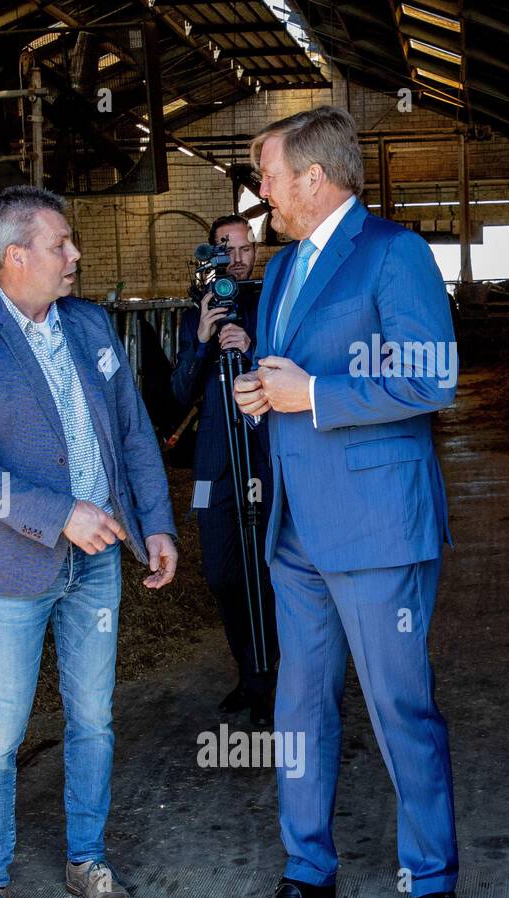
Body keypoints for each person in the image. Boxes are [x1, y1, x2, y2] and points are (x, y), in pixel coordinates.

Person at [233, 106, 461, 898]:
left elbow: (432, 379)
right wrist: (270, 393)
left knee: (400, 709)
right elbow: (288, 375)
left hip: (374, 529)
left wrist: (315, 396)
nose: (263, 191)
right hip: (297, 528)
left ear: (314, 179)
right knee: (299, 705)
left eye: (268, 174)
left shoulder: (394, 254)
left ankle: (432, 883)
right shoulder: (286, 267)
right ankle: (307, 871)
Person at [0, 185, 178, 898]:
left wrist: (157, 523)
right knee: (0, 729)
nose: (75, 257)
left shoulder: (91, 323)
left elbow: (133, 431)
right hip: (14, 564)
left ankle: (86, 859)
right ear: (16, 257)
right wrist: (58, 510)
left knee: (94, 718)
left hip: (100, 560)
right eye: (62, 245)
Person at [172, 213, 278, 727]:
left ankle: (274, 679)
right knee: (222, 574)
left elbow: (289, 373)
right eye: (225, 248)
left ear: (254, 253)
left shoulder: (267, 307)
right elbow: (176, 394)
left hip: (262, 459)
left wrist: (252, 349)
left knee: (269, 572)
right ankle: (248, 673)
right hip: (215, 468)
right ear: (209, 254)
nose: (236, 258)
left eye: (244, 248)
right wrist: (201, 338)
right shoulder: (196, 313)